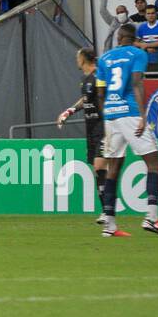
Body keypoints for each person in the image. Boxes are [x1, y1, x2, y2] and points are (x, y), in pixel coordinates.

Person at [97, 25, 158, 238]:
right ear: (134, 38)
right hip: (130, 113)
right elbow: (137, 82)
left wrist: (108, 116)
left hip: (111, 115)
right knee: (154, 164)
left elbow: (100, 93)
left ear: (119, 38)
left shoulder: (104, 59)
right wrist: (142, 115)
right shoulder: (138, 54)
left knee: (114, 167)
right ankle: (151, 218)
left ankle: (110, 225)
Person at [57, 47, 108, 224]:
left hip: (103, 129)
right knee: (97, 169)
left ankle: (109, 212)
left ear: (84, 59)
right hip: (91, 129)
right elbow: (85, 100)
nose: (76, 60)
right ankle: (106, 211)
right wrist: (69, 111)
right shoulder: (84, 79)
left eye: (78, 57)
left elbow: (105, 99)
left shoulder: (99, 76)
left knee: (100, 167)